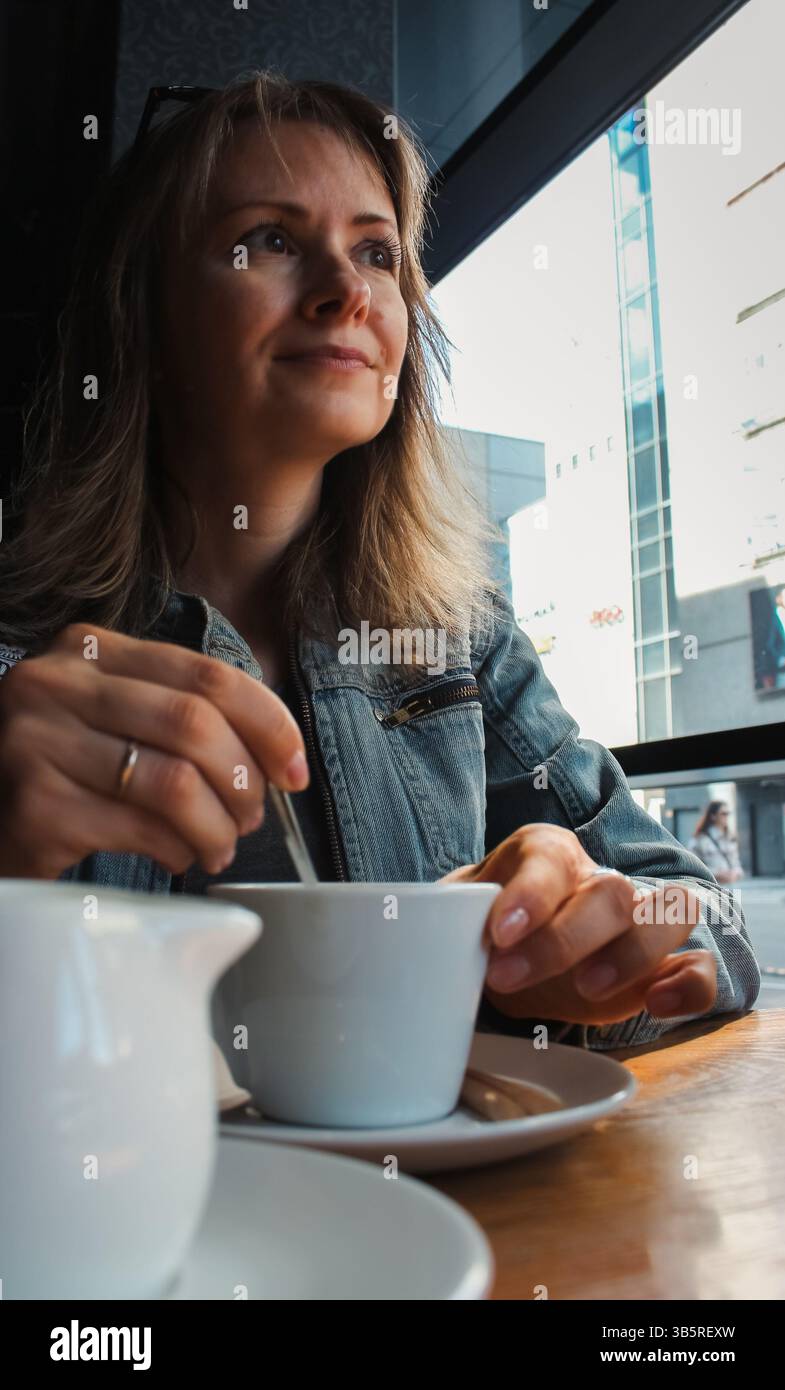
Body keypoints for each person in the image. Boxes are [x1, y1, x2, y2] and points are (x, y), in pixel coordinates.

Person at [0, 71, 759, 1052]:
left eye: (375, 251)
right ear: (142, 306)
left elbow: (703, 919)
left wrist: (595, 949)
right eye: (269, 239)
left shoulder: (461, 637)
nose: (347, 290)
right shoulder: (20, 643)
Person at [689, 802, 744, 885]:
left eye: (728, 813)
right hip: (710, 888)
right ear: (713, 816)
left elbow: (737, 864)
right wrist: (716, 874)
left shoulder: (731, 838)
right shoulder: (700, 839)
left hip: (732, 887)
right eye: (723, 814)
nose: (726, 816)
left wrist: (735, 873)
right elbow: (692, 865)